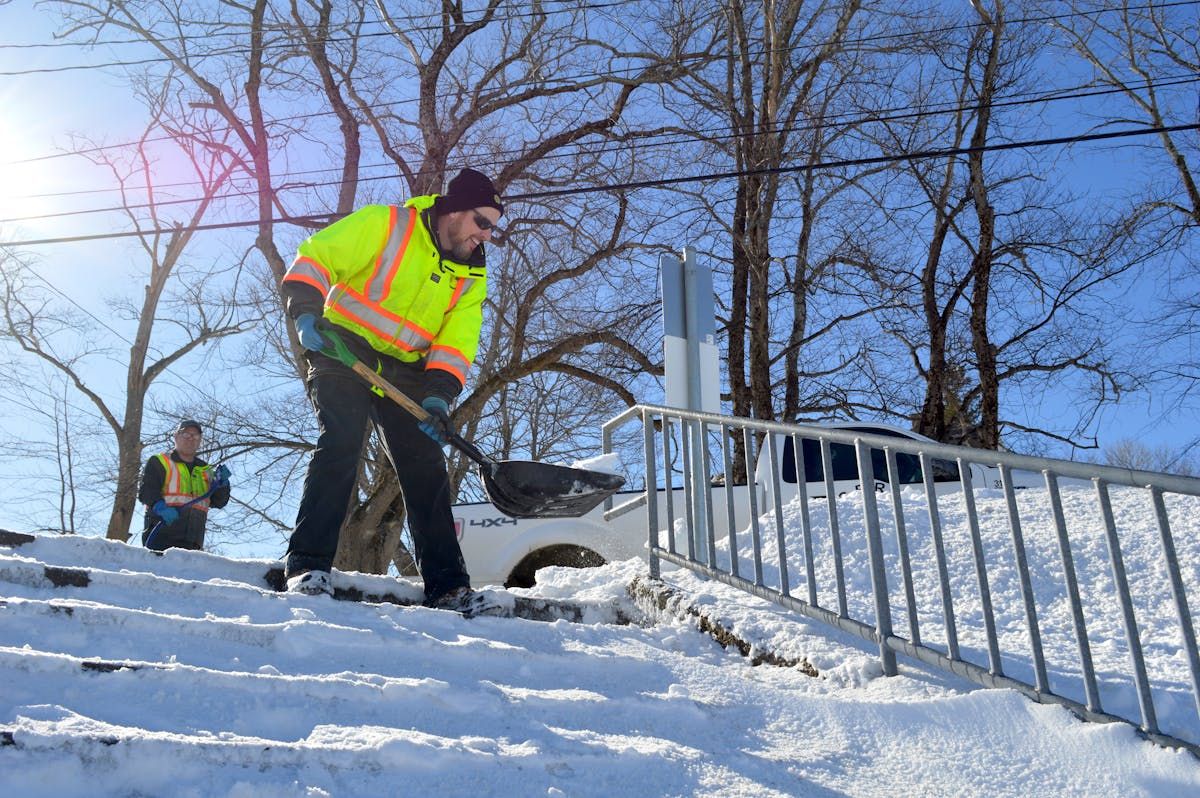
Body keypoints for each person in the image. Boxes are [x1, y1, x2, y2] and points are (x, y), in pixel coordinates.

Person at [279, 167, 505, 616]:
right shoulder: (387, 224)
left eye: (493, 228)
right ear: (456, 210)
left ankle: (447, 587)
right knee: (342, 439)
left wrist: (439, 395)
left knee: (426, 465)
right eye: (482, 221)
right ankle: (307, 566)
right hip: (342, 346)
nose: (486, 235)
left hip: (406, 371)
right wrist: (305, 312)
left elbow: (457, 341)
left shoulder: (472, 274)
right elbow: (318, 257)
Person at [138, 419, 231, 551]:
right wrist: (160, 507)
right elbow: (147, 491)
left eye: (196, 436)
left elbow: (219, 501)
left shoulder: (205, 470)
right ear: (176, 437)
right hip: (161, 535)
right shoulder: (160, 461)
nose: (191, 439)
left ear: (200, 441)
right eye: (186, 434)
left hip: (193, 540)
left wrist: (223, 484)